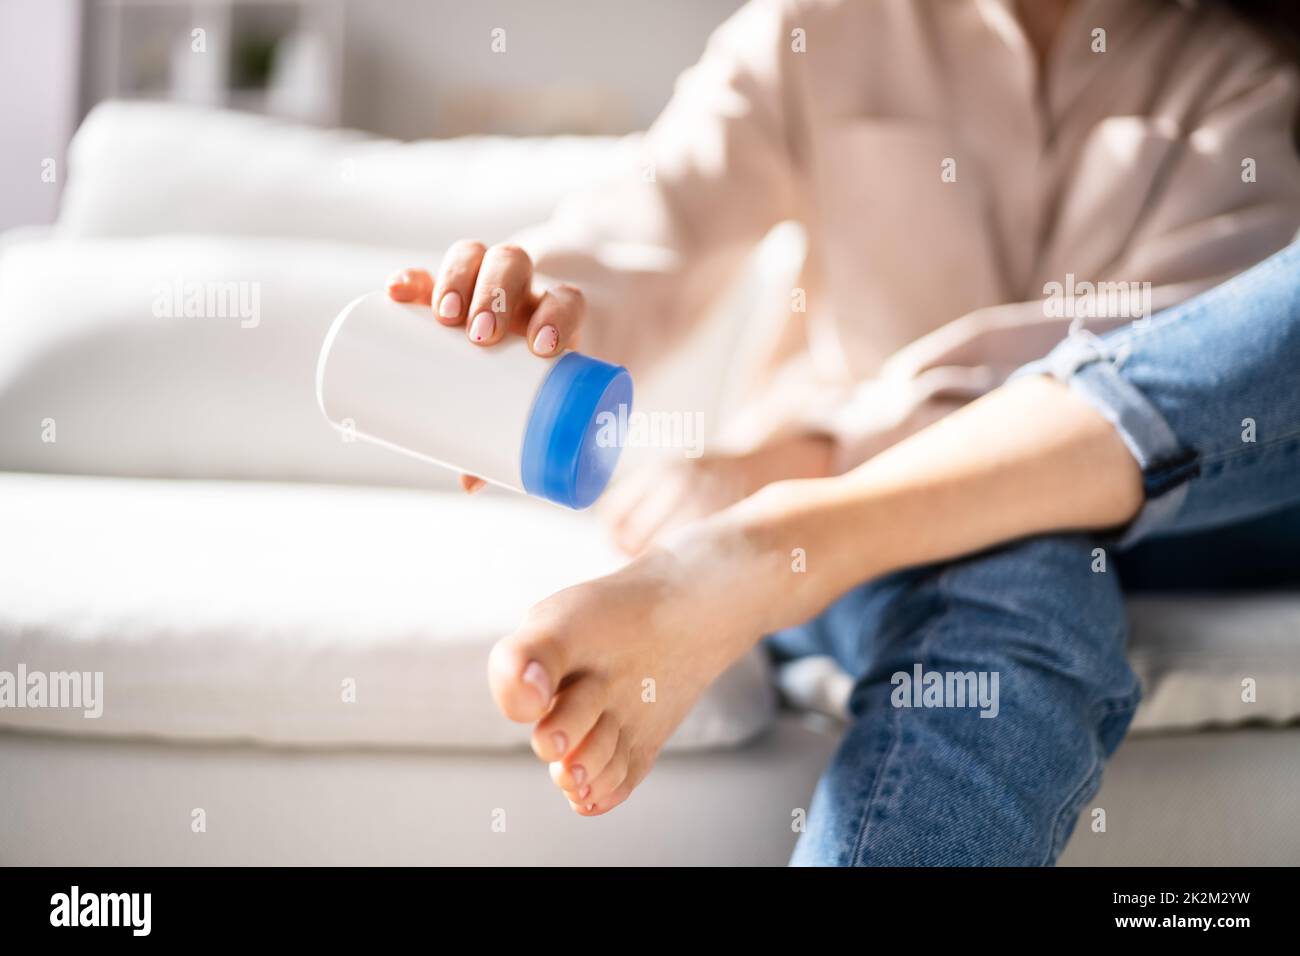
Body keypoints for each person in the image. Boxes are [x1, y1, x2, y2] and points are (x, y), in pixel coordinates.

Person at [384, 0, 1300, 863]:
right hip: (939, 546)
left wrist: (818, 455)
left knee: (1023, 549)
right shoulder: (820, 23)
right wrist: (541, 312)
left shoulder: (1235, 77)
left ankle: (781, 541)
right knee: (1012, 573)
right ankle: (797, 538)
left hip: (1155, 523)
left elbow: (1188, 358)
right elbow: (642, 233)